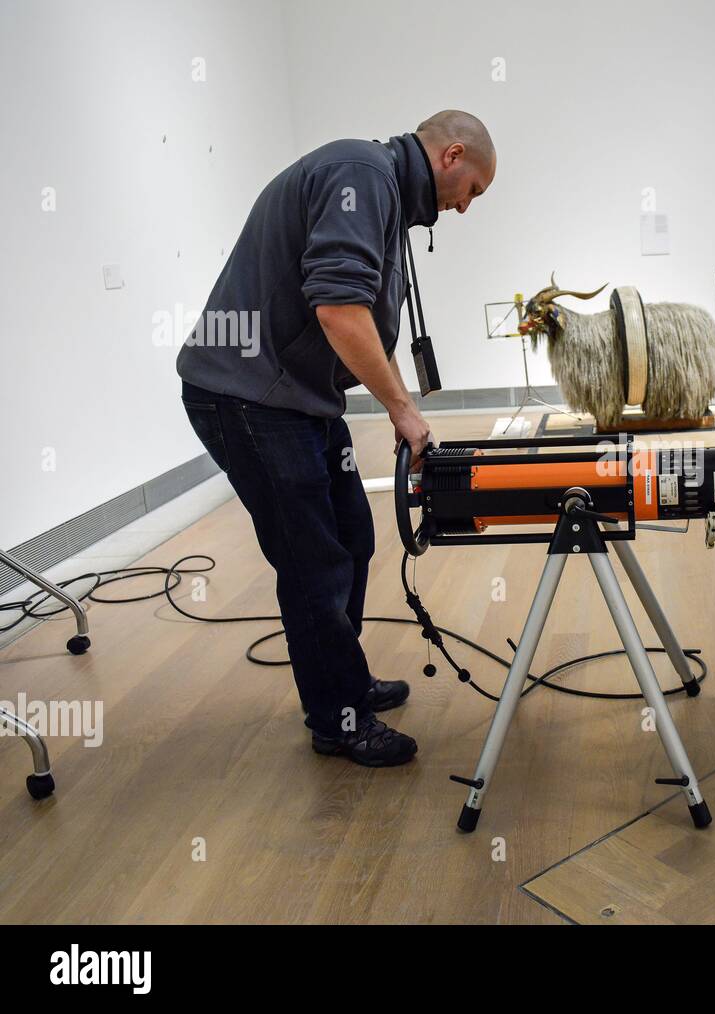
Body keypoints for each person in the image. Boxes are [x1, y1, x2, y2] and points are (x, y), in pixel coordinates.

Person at [176, 110, 496, 766]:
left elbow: (358, 320)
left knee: (353, 534)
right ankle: (337, 718)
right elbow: (338, 309)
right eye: (473, 190)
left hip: (294, 395)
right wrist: (404, 413)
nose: (466, 208)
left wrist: (401, 403)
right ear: (451, 155)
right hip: (248, 395)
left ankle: (342, 682)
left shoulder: (379, 186)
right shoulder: (361, 175)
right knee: (314, 561)